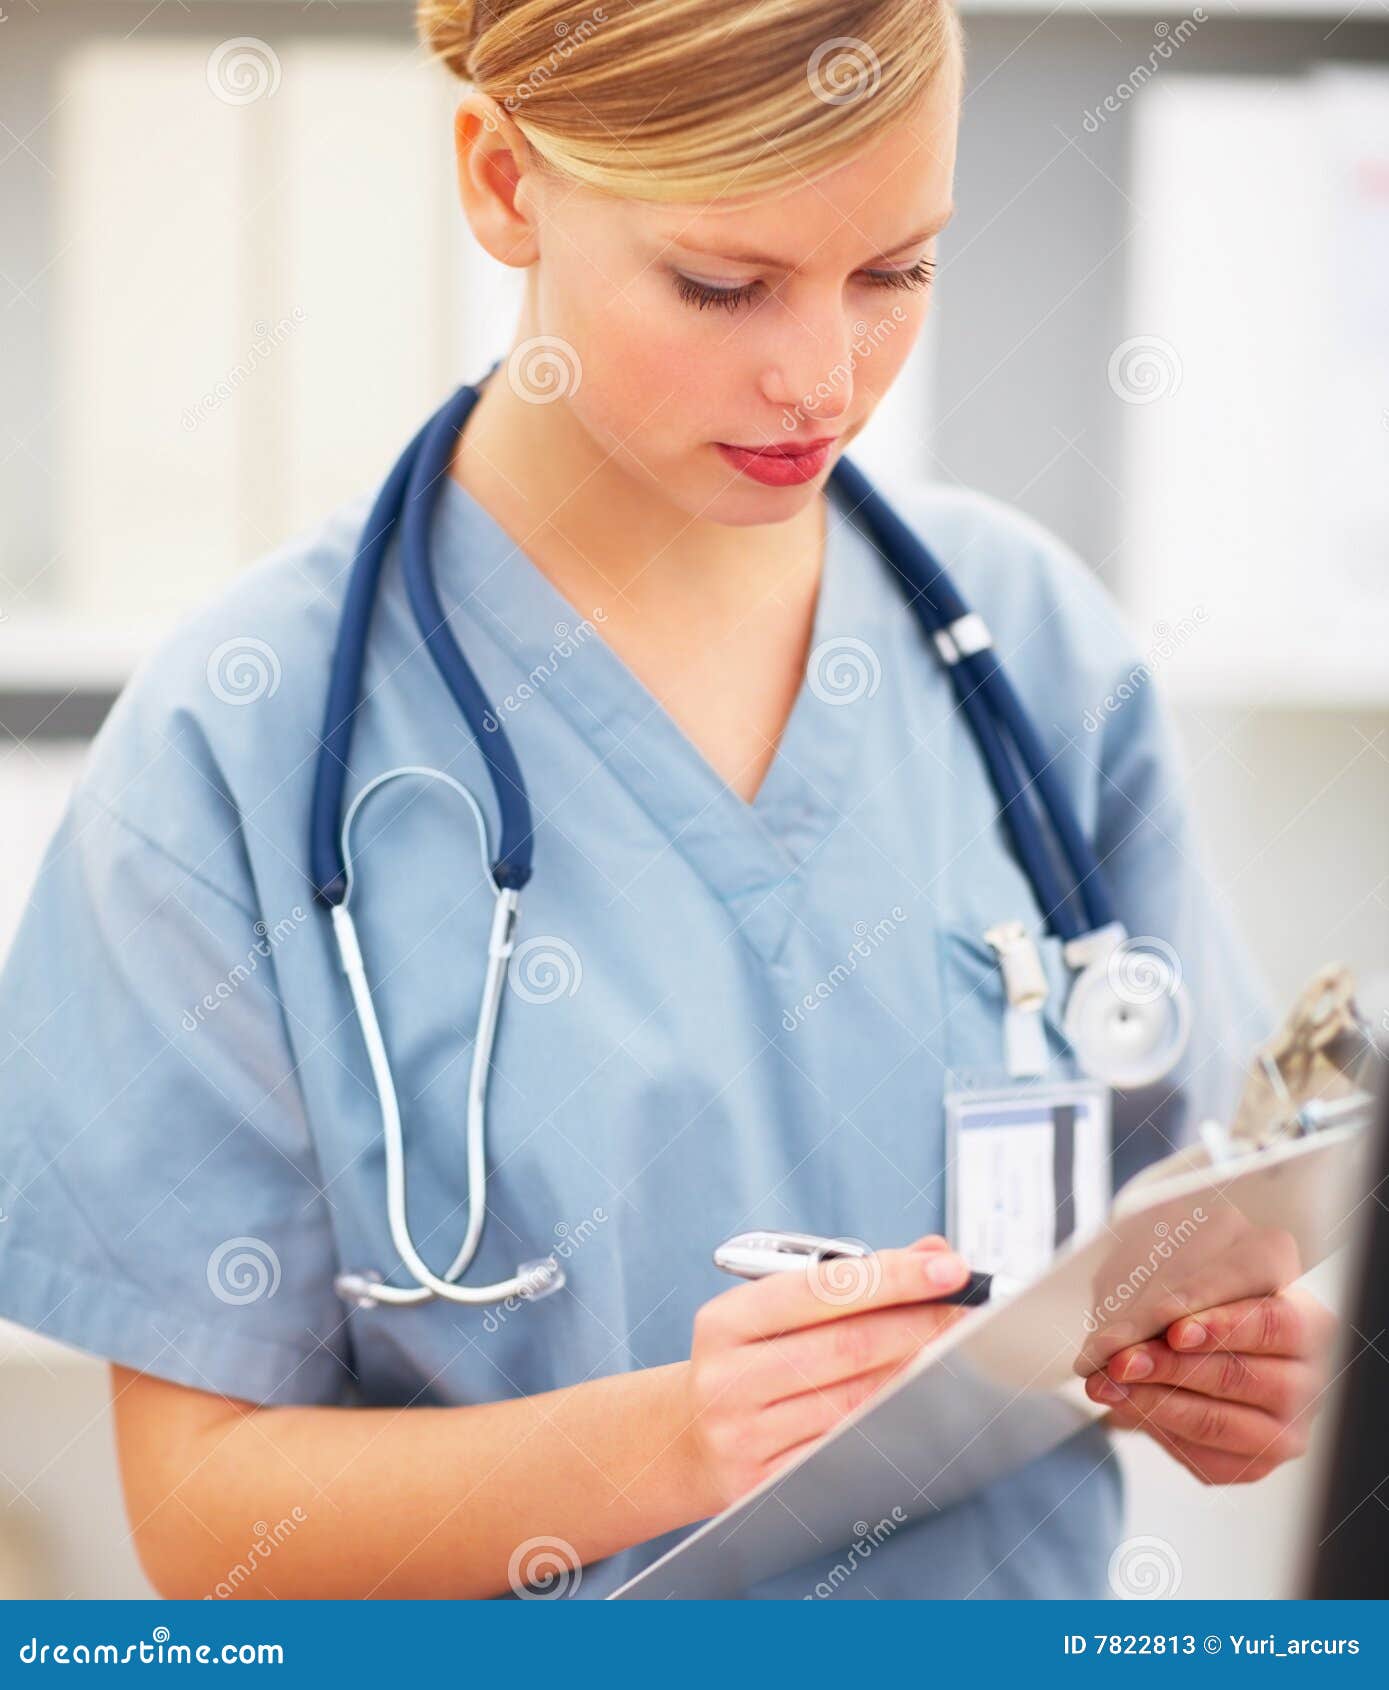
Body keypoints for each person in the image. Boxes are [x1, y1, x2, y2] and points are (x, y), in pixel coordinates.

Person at [0, 0, 1336, 1600]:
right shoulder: (243, 734)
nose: (822, 378)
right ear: (503, 182)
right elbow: (207, 1522)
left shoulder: (1029, 641)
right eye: (721, 283)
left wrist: (1235, 1370)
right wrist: (674, 1441)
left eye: (894, 271)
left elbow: (1178, 1231)